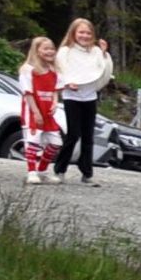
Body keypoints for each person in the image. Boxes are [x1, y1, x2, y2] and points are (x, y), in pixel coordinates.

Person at [51, 19, 114, 185]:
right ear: (73, 33)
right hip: (72, 97)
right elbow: (59, 71)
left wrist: (104, 54)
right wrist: (67, 83)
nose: (84, 36)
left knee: (88, 136)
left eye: (88, 33)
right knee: (73, 134)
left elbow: (103, 71)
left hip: (90, 97)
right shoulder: (65, 51)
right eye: (81, 32)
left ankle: (87, 172)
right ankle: (60, 170)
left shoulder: (95, 52)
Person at [18, 37, 63, 183]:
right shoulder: (28, 70)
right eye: (46, 49)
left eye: (52, 48)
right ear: (37, 51)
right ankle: (32, 172)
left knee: (55, 142)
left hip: (47, 111)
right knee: (33, 140)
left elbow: (55, 90)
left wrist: (54, 103)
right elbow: (28, 93)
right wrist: (36, 112)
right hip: (33, 110)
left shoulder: (54, 70)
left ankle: (42, 170)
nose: (50, 51)